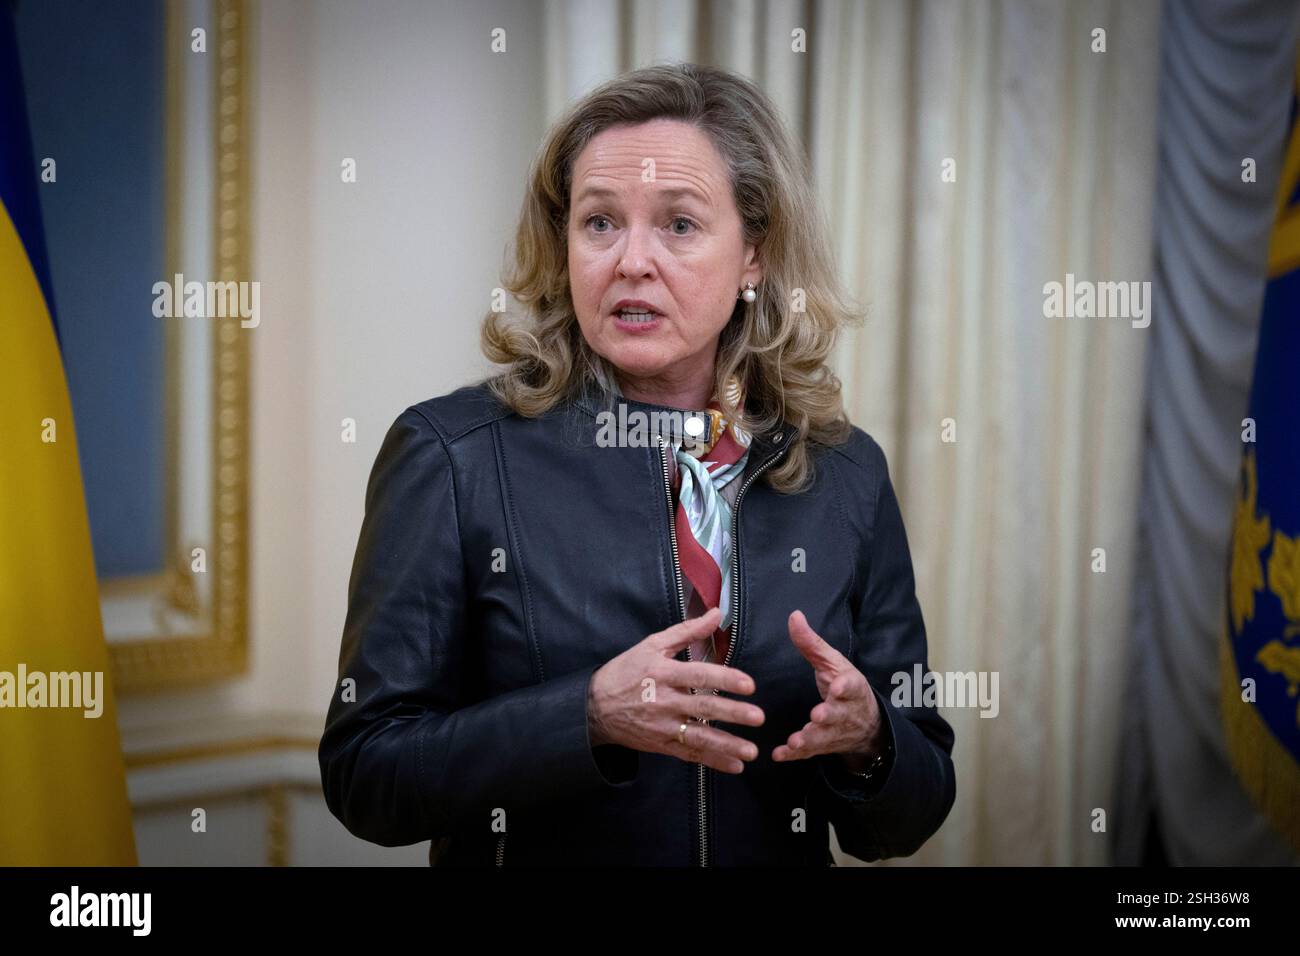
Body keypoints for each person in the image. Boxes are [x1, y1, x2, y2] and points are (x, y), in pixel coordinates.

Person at [318, 62, 955, 866]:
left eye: (679, 225)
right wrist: (585, 714)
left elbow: (914, 808)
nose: (631, 261)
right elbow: (364, 774)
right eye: (600, 223)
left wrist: (871, 738)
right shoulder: (452, 456)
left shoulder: (845, 470)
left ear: (755, 254)